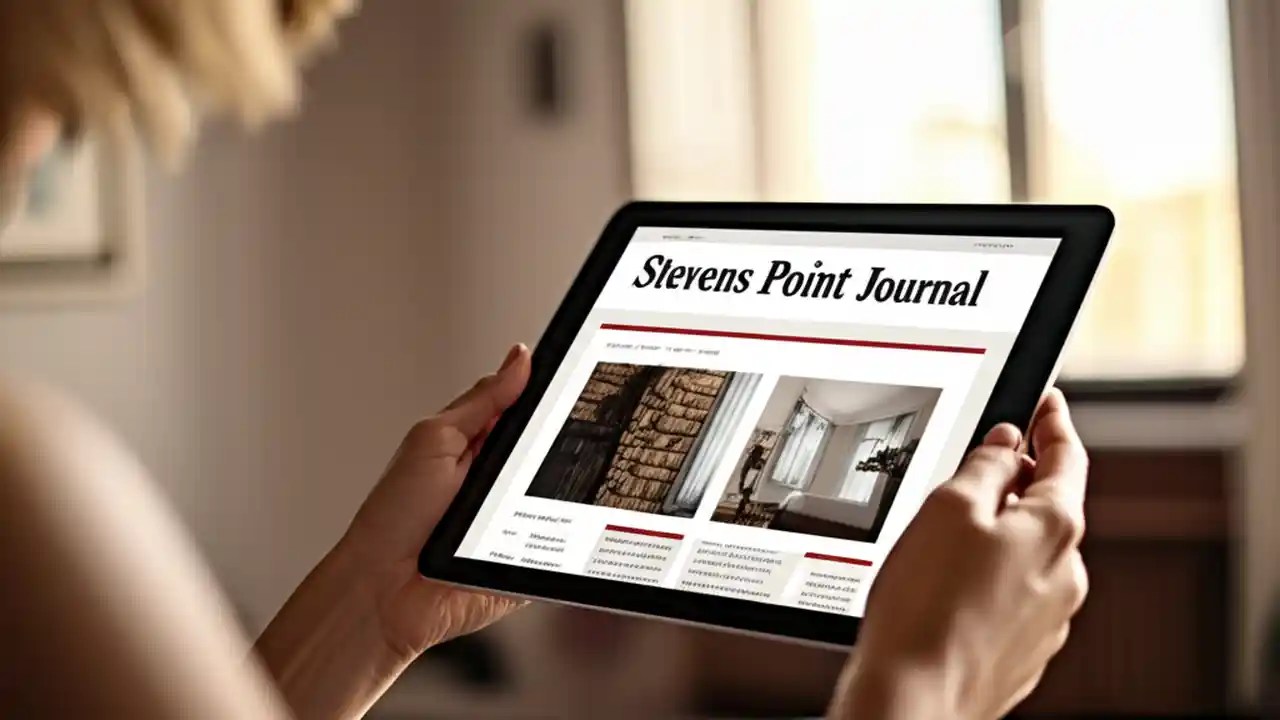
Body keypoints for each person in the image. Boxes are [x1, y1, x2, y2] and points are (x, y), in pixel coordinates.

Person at [0, 2, 1089, 718]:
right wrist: (927, 684)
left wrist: (376, 600)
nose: (45, 144)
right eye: (65, 103)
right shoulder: (21, 477)